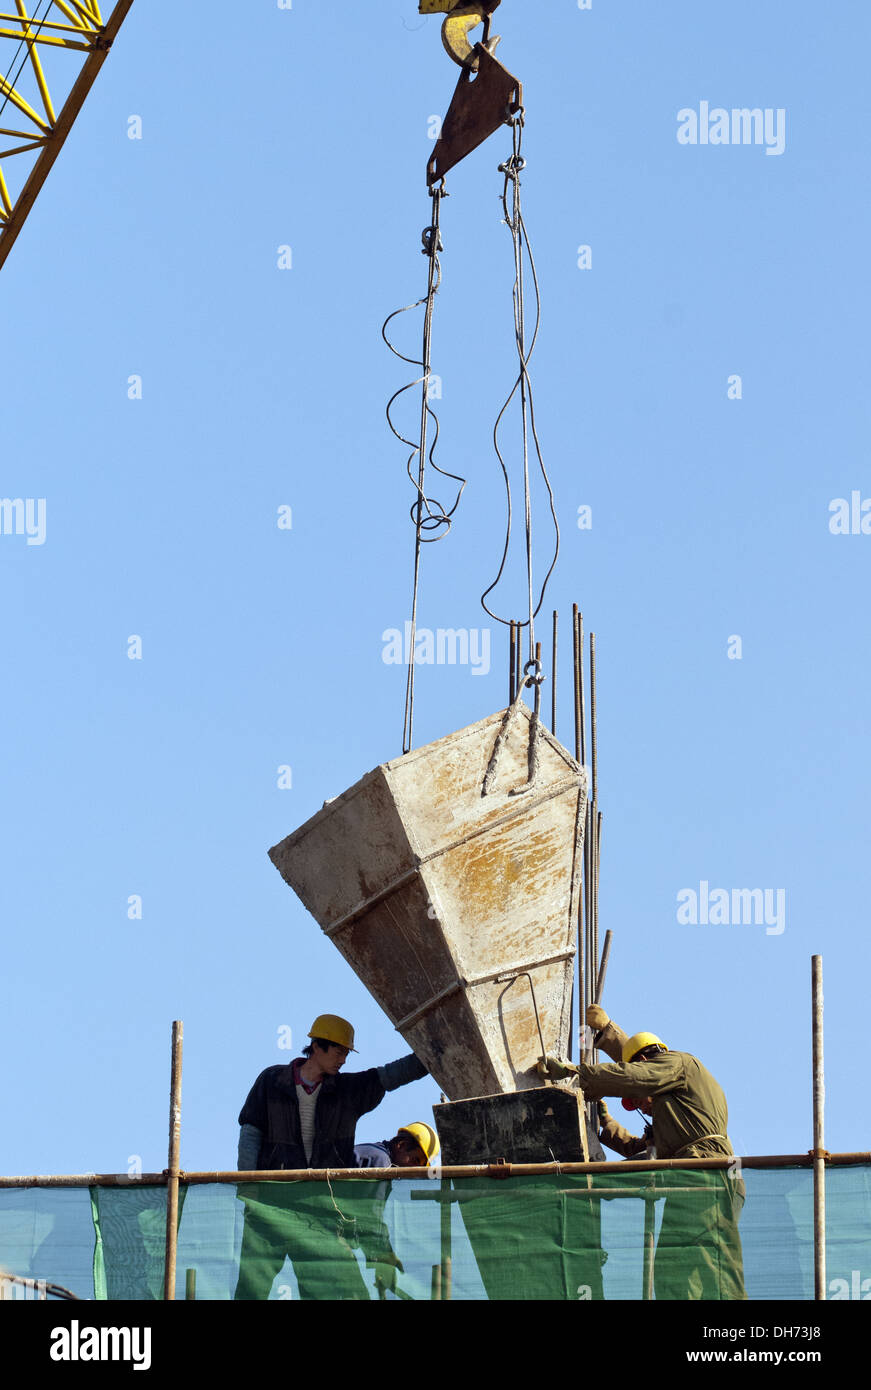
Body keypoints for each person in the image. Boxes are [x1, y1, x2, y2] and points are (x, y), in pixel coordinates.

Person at [541, 1005, 747, 1301]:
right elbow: (646, 1151)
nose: (639, 1106)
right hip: (691, 1179)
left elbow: (635, 1075)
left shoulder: (681, 1064)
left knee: (713, 1264)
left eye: (637, 1101)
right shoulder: (676, 1112)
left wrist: (577, 1072)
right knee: (671, 1270)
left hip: (708, 1175)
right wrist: (608, 1126)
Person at [233, 1014, 428, 1300]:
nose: (344, 1060)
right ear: (316, 1046)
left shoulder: (346, 1091)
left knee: (335, 1293)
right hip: (269, 1205)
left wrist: (434, 1053)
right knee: (251, 1290)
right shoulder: (273, 1081)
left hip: (320, 1211)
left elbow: (392, 1075)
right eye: (339, 1052)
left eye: (347, 1053)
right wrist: (248, 1184)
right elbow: (251, 1132)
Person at [355, 1121, 440, 1170]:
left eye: (420, 1166)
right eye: (416, 1160)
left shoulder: (376, 1152)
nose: (415, 1168)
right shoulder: (382, 1162)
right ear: (401, 1145)